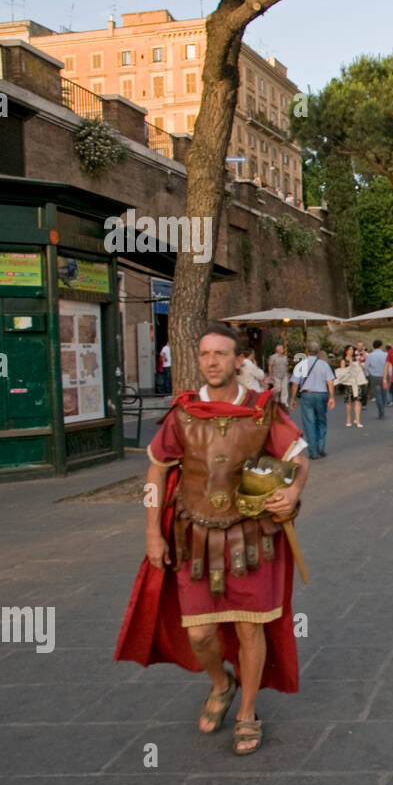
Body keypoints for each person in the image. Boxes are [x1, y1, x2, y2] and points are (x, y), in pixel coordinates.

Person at [115, 322, 309, 757]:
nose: (213, 362)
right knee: (201, 634)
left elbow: (298, 457)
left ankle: (248, 712)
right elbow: (157, 471)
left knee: (250, 629)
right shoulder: (183, 413)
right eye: (205, 355)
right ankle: (222, 683)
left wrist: (292, 492)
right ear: (198, 359)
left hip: (251, 535)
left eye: (221, 354)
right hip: (193, 537)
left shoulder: (261, 409)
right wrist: (151, 532)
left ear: (239, 360)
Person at [291, 345, 335, 458]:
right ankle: (321, 446)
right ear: (318, 352)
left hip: (307, 395)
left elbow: (295, 384)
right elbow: (330, 381)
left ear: (306, 351)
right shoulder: (324, 364)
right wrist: (331, 397)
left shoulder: (301, 364)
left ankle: (313, 451)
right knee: (321, 421)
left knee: (309, 423)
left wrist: (292, 398)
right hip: (322, 395)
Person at [334, 345, 367, 428]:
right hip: (348, 384)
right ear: (346, 351)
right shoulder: (344, 361)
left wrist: (360, 363)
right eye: (349, 349)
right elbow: (342, 373)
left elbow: (362, 369)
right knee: (349, 403)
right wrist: (350, 367)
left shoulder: (356, 360)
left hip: (357, 382)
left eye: (352, 349)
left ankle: (357, 420)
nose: (351, 351)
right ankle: (348, 419)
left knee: (358, 401)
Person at [363, 340, 391, 420]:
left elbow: (366, 366)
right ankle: (383, 409)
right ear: (381, 346)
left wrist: (368, 373)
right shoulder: (386, 354)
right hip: (385, 376)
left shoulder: (370, 355)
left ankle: (380, 411)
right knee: (384, 394)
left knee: (377, 394)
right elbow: (389, 365)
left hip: (374, 377)